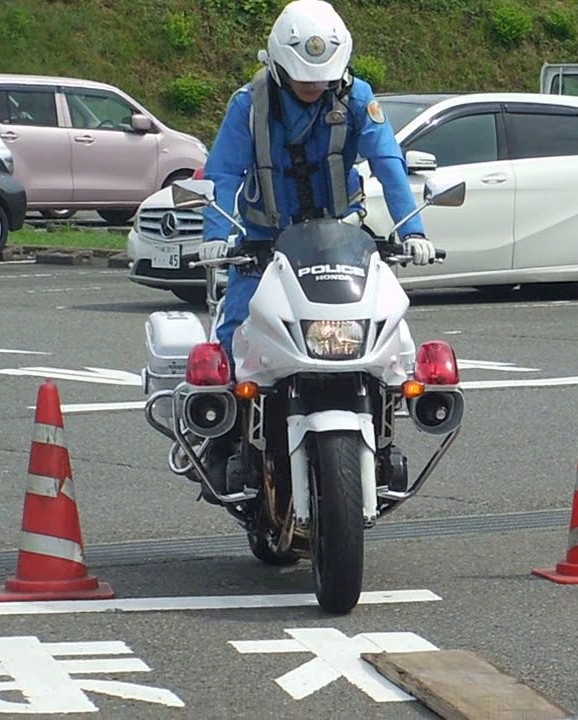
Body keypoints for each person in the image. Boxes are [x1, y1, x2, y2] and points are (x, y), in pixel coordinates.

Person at [194, 0, 436, 500]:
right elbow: (221, 174)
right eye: (302, 77)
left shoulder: (358, 98)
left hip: (338, 238)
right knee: (234, 333)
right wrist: (217, 232)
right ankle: (221, 439)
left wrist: (413, 229)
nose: (312, 86)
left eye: (322, 78)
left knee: (389, 336)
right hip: (263, 243)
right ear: (277, 64)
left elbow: (388, 162)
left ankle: (386, 428)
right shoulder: (249, 105)